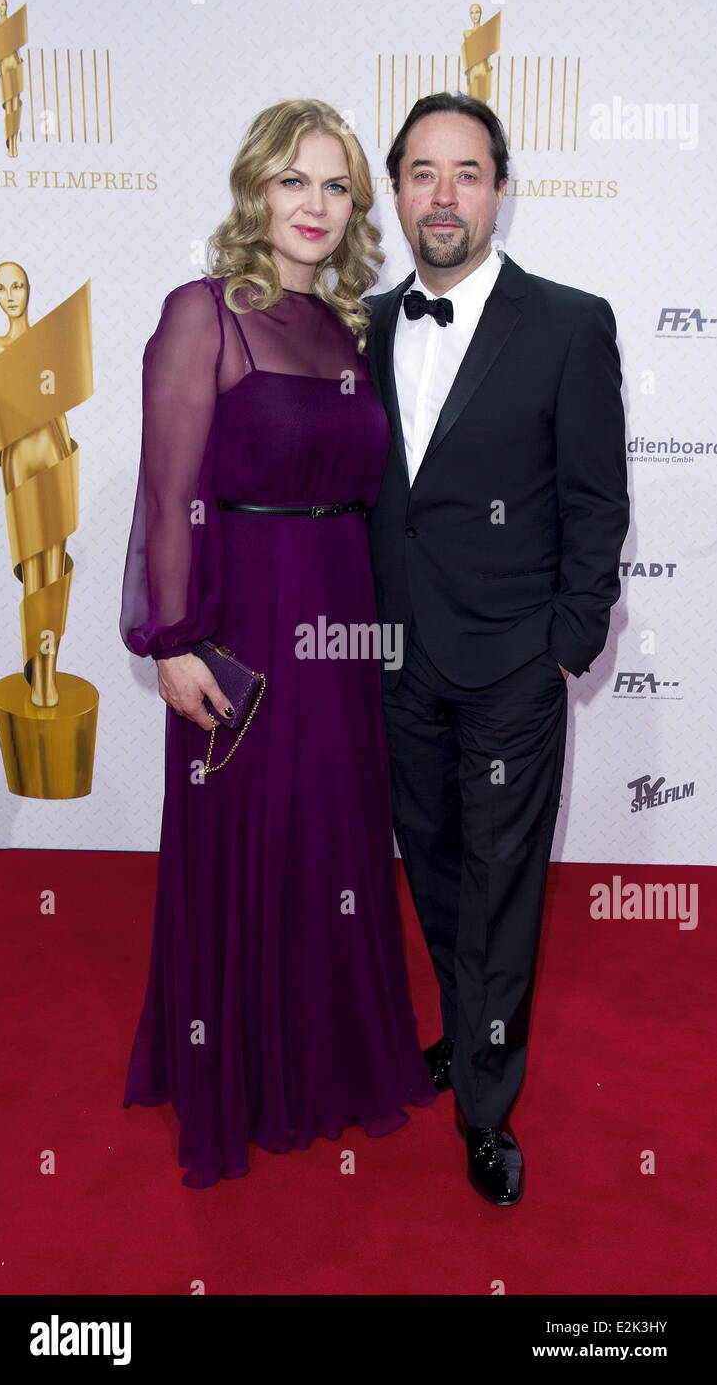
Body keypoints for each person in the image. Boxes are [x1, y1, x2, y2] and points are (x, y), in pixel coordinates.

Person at [119, 98, 436, 1189]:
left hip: (339, 621)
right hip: (242, 625)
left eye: (335, 185)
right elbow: (168, 496)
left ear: (356, 209)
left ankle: (329, 1054)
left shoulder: (347, 329)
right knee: (246, 841)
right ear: (257, 188)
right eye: (293, 180)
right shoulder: (202, 312)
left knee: (335, 847)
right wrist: (171, 642)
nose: (313, 203)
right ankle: (238, 1073)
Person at [365, 92, 630, 1205]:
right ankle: (460, 1030)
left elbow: (594, 499)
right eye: (421, 173)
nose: (442, 195)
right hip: (389, 659)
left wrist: (564, 645)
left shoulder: (567, 322)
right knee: (429, 868)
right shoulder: (362, 326)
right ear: (395, 195)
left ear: (498, 190)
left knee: (502, 886)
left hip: (514, 663)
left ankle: (485, 1100)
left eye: (464, 173)